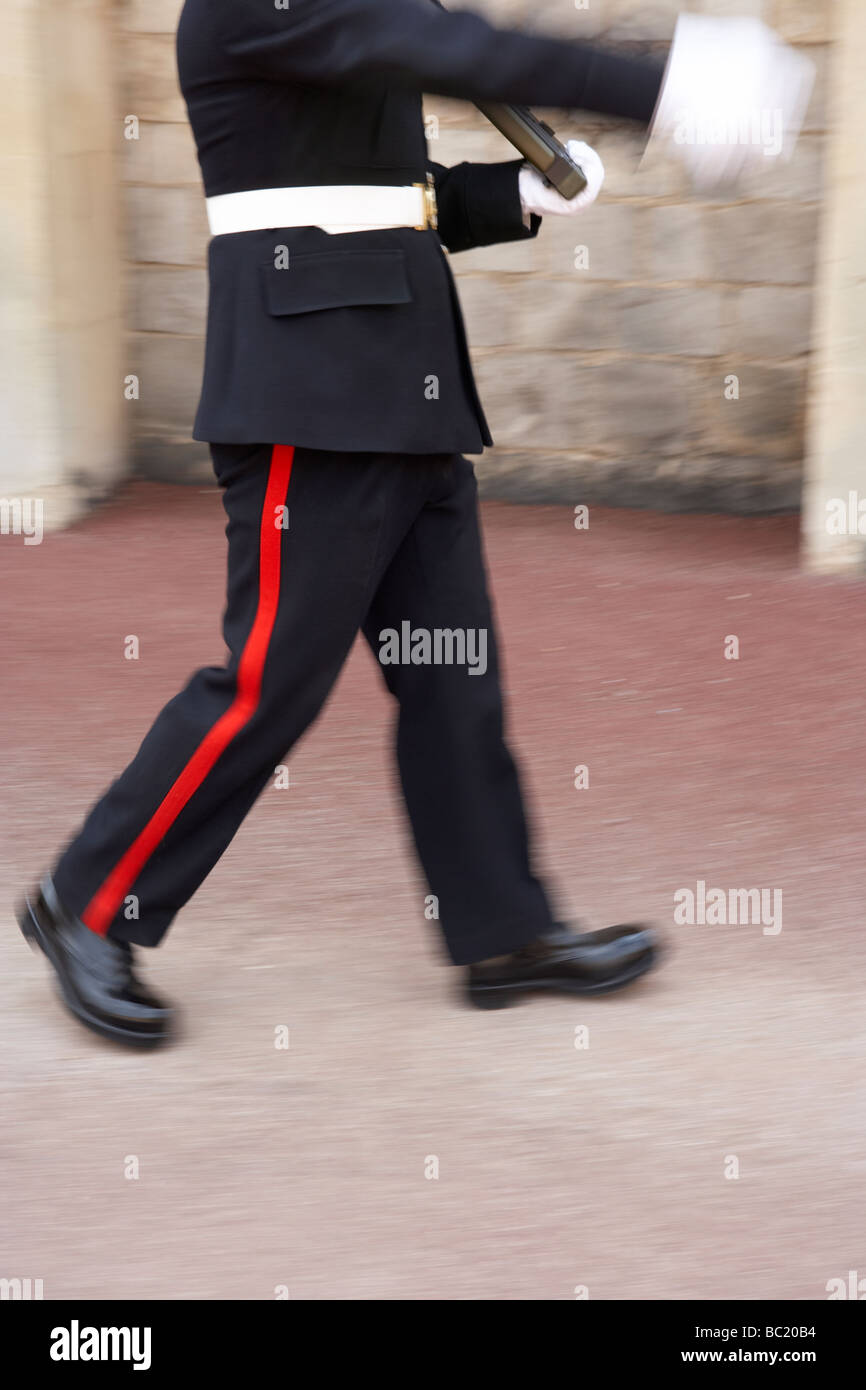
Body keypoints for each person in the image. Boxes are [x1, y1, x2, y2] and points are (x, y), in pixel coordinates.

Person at [16, 2, 813, 1045]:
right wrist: (659, 84)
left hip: (404, 386)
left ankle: (500, 932)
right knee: (267, 683)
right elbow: (451, 51)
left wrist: (508, 192)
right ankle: (87, 901)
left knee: (453, 680)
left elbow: (380, 197)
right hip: (312, 395)